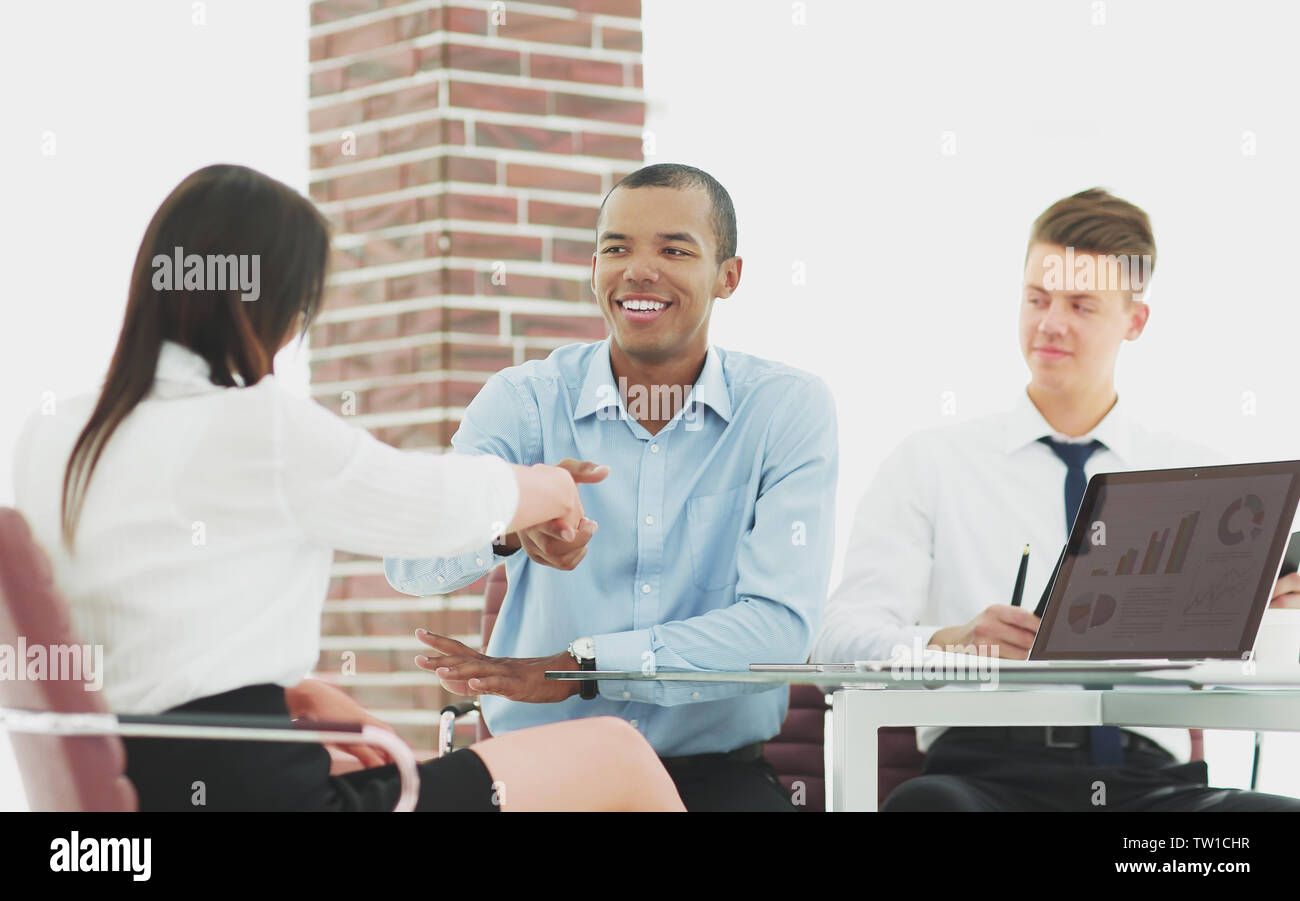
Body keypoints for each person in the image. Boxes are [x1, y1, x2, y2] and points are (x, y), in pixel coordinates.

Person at [11, 164, 684, 812]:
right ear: (276, 301)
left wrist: (294, 694)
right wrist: (551, 488)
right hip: (260, 795)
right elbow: (432, 504)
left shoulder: (55, 432)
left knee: (389, 761)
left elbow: (138, 630)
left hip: (155, 789)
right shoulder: (259, 424)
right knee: (618, 753)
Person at [812, 187, 1300, 812]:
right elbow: (838, 636)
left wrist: (1276, 618)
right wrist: (946, 642)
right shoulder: (931, 462)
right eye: (1037, 298)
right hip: (986, 777)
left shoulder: (1193, 476)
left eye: (1081, 304)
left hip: (1147, 784)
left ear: (1135, 320)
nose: (1050, 323)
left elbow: (1235, 666)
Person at [384, 163, 839, 811]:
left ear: (728, 276)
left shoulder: (785, 409)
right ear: (593, 269)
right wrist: (509, 518)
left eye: (674, 249)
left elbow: (780, 626)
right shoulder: (525, 401)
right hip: (541, 773)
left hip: (714, 777)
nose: (638, 269)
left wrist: (582, 668)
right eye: (616, 248)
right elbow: (410, 562)